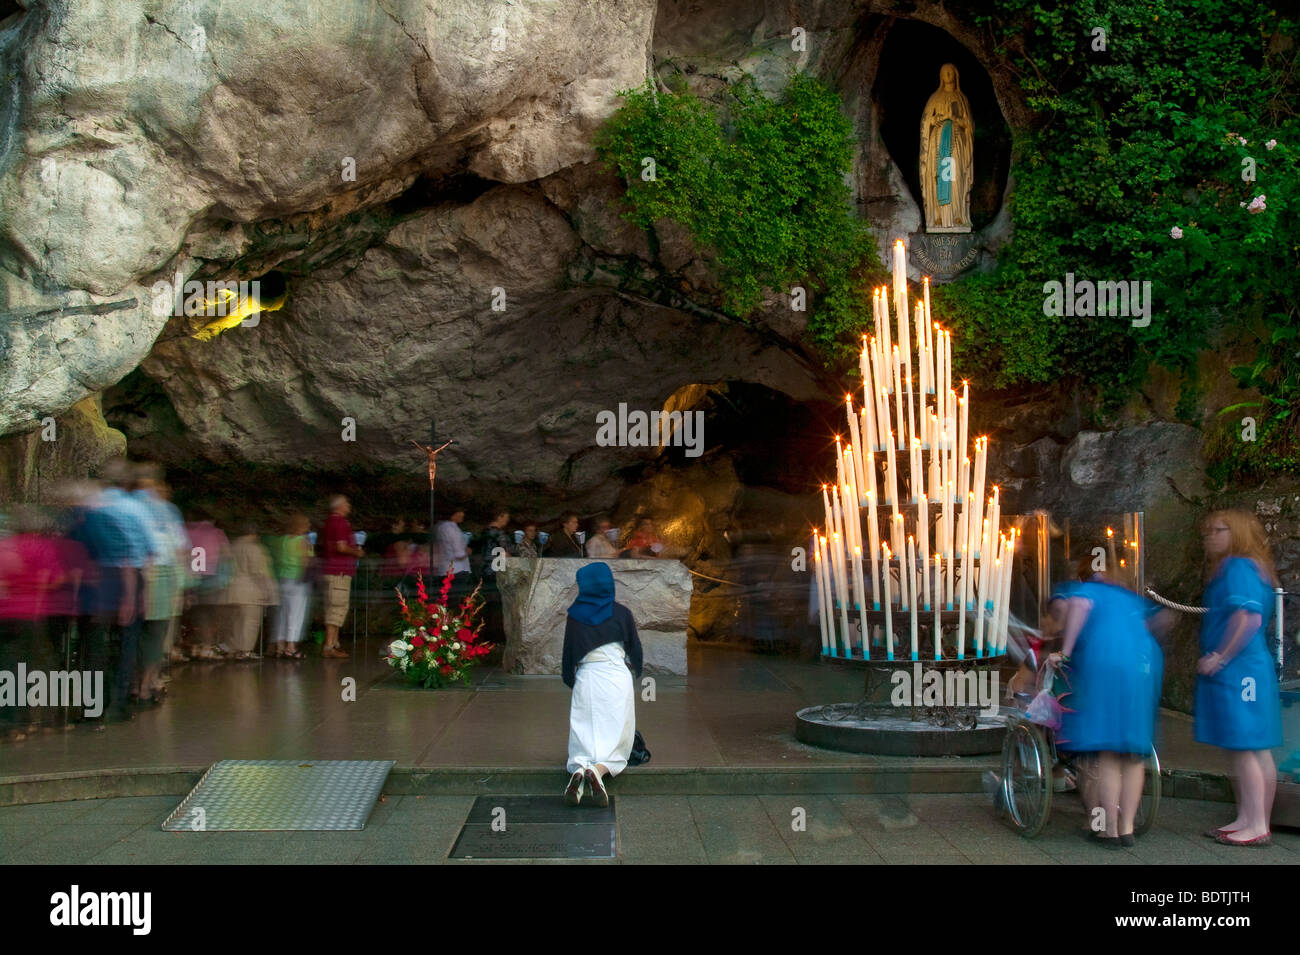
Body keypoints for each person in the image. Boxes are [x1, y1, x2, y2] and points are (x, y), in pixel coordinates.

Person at [1046, 563, 1164, 847]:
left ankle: (1108, 829)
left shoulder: (1089, 590)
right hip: (1144, 664)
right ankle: (1127, 828)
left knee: (1109, 753)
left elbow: (1080, 606)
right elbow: (1162, 621)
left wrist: (1066, 651)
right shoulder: (1130, 599)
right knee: (1134, 755)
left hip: (1109, 665)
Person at [1195, 509, 1283, 847]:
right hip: (1250, 668)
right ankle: (1248, 818)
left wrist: (1221, 656)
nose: (1210, 537)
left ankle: (1257, 823)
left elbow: (1249, 618)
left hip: (1241, 669)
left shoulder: (1238, 567)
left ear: (1236, 533)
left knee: (1246, 746)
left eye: (1217, 531)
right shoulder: (1251, 566)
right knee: (1251, 746)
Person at [561, 562, 643, 807]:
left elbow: (568, 655)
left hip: (588, 677)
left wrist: (571, 681)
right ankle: (598, 770)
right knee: (619, 732)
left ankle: (579, 770)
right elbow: (635, 649)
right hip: (616, 677)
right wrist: (635, 671)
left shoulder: (574, 615)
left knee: (584, 728)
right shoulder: (621, 613)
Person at [132, 463, 189, 701]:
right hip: (161, 577)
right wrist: (182, 587)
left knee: (135, 635)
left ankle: (133, 684)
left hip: (133, 575)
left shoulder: (129, 506)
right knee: (156, 635)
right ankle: (147, 684)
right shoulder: (168, 511)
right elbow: (180, 551)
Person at [319, 495, 363, 658]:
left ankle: (334, 643)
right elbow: (341, 547)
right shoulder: (339, 522)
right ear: (339, 506)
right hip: (339, 572)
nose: (349, 506)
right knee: (336, 607)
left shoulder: (329, 522)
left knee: (336, 607)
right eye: (347, 503)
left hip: (333, 571)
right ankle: (329, 645)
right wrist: (356, 552)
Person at [225, 524, 277, 659]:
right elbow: (259, 572)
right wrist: (268, 590)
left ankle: (234, 649)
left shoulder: (232, 546)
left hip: (232, 590)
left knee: (236, 622)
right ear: (254, 534)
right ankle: (245, 651)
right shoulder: (254, 548)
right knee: (250, 622)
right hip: (250, 591)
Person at [268, 514, 312, 659]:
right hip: (297, 581)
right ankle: (291, 647)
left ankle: (279, 646)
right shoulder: (303, 541)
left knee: (282, 614)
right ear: (302, 526)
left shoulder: (283, 540)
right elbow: (306, 561)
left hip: (283, 579)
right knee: (295, 615)